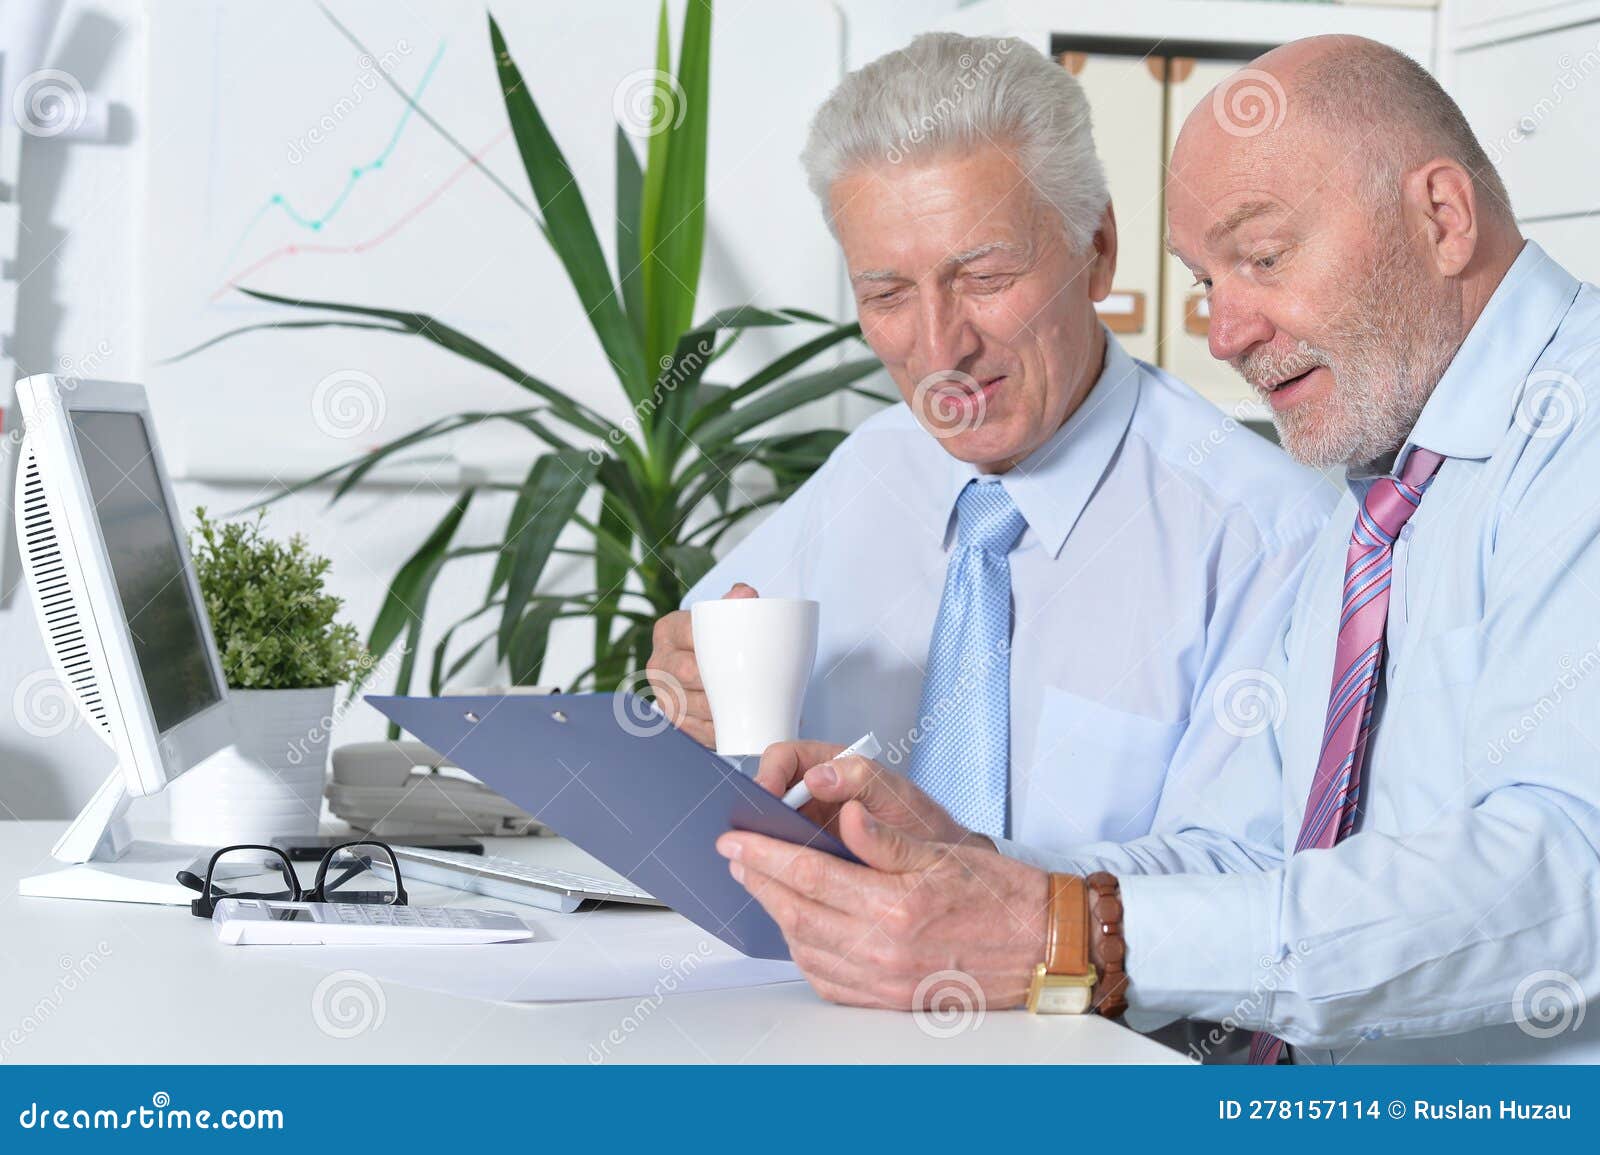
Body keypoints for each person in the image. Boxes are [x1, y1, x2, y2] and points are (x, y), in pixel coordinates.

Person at [719, 34, 1600, 1064]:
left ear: (1439, 218)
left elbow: (1568, 868)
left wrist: (1071, 935)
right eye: (1205, 281)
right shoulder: (1388, 496)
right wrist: (990, 879)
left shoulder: (1570, 432)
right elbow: (1242, 850)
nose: (1222, 334)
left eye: (1263, 258)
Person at [646, 33, 1331, 853]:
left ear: (1099, 252)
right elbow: (690, 692)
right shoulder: (869, 466)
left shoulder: (1270, 536)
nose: (939, 351)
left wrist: (983, 890)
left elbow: (1252, 880)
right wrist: (682, 697)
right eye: (887, 293)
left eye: (986, 279)